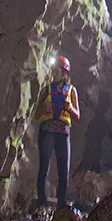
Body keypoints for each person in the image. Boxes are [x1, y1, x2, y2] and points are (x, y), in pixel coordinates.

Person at [31, 56, 80, 208]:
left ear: (65, 72)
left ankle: (62, 203)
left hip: (63, 132)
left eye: (57, 70)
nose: (54, 73)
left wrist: (69, 108)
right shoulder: (47, 90)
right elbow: (36, 115)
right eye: (53, 70)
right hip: (47, 131)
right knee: (44, 167)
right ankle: (41, 200)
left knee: (63, 168)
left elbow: (77, 115)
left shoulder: (71, 91)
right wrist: (44, 109)